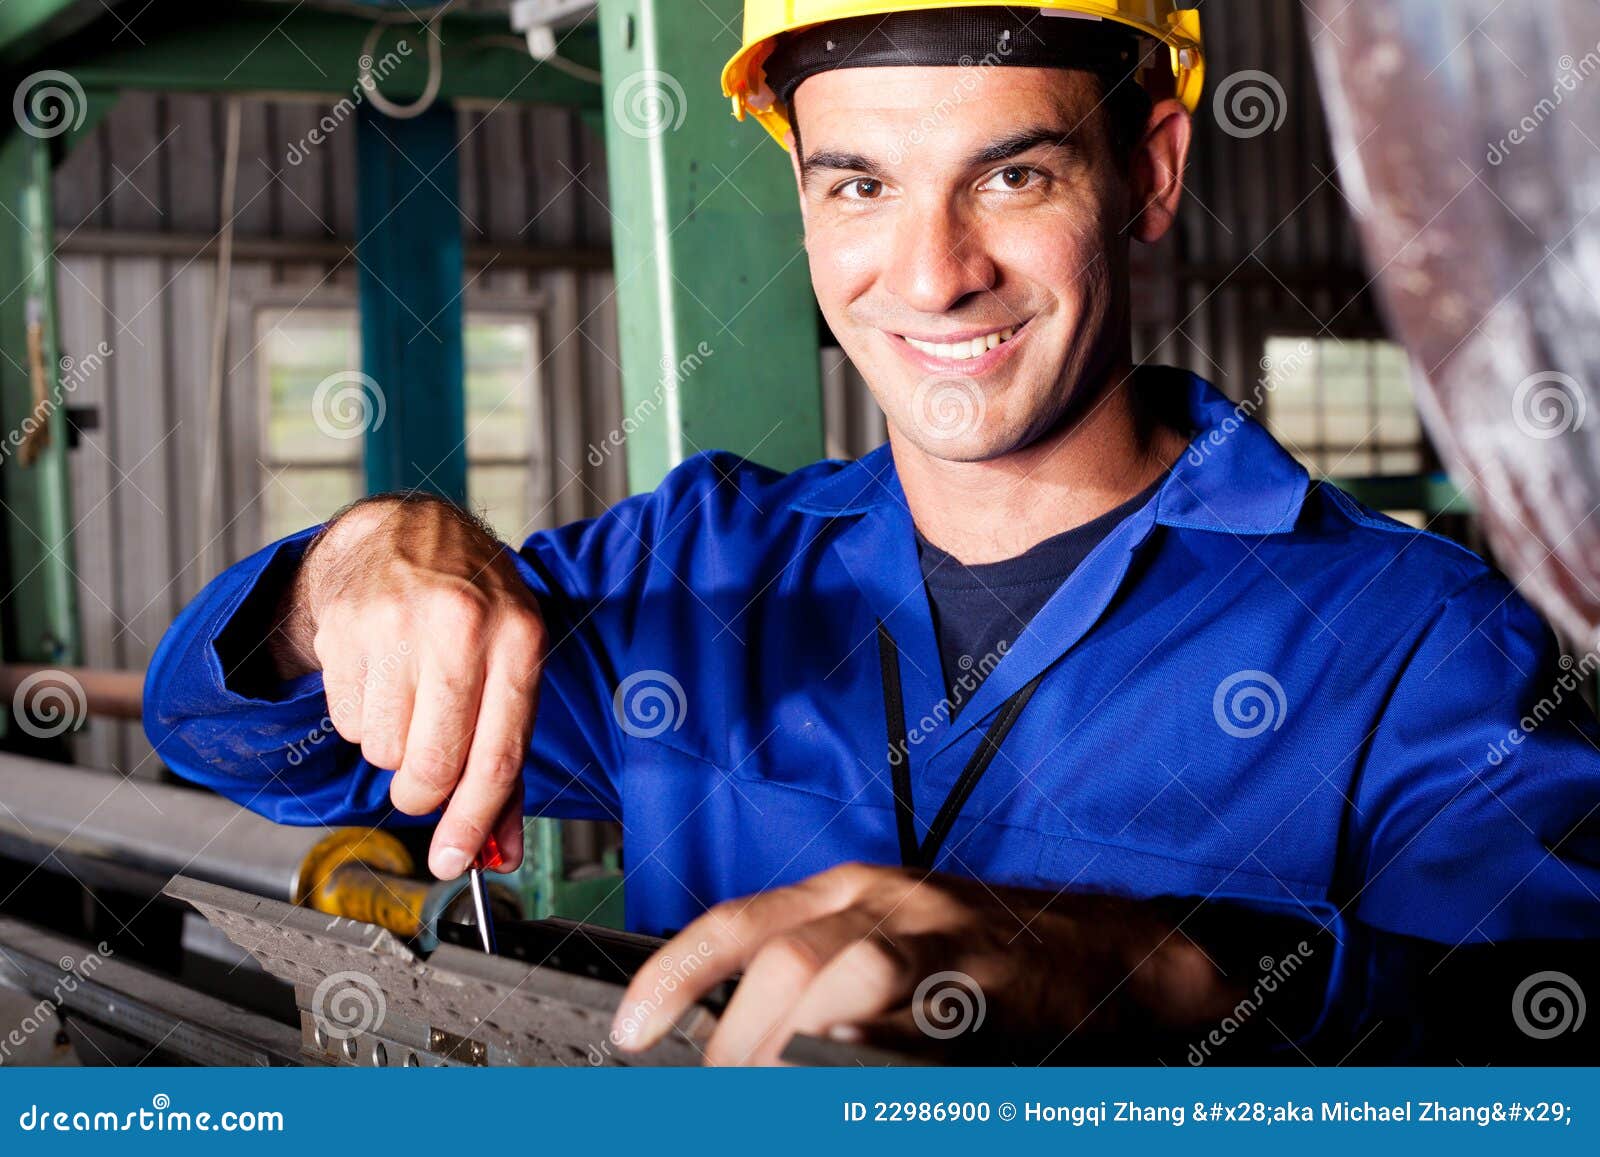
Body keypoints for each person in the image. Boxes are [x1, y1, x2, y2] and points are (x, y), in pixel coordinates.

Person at [145, 2, 1599, 1065]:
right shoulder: (696, 567)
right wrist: (345, 572)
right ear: (802, 197)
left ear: (1150, 172)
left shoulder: (1424, 638)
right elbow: (236, 737)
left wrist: (1152, 971)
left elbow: (1541, 1030)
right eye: (861, 185)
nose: (934, 273)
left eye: (1012, 175)